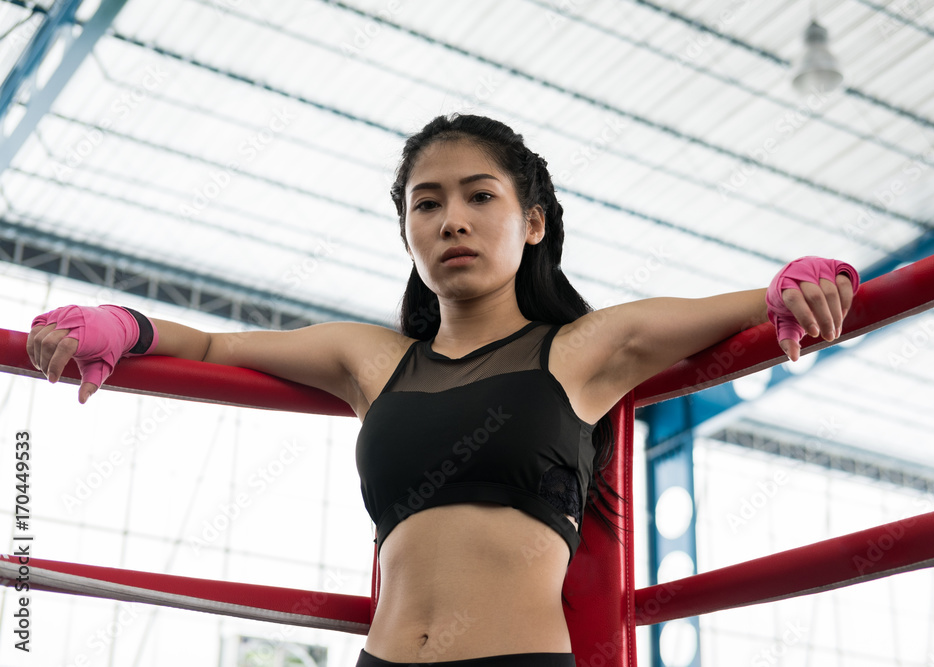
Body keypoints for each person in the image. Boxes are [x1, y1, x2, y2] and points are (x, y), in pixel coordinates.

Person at [26, 114, 858, 666]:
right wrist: (121, 326)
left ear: (533, 220)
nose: (451, 220)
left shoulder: (584, 347)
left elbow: (757, 301)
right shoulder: (373, 358)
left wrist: (801, 278)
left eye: (479, 197)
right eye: (428, 204)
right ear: (408, 231)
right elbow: (212, 342)